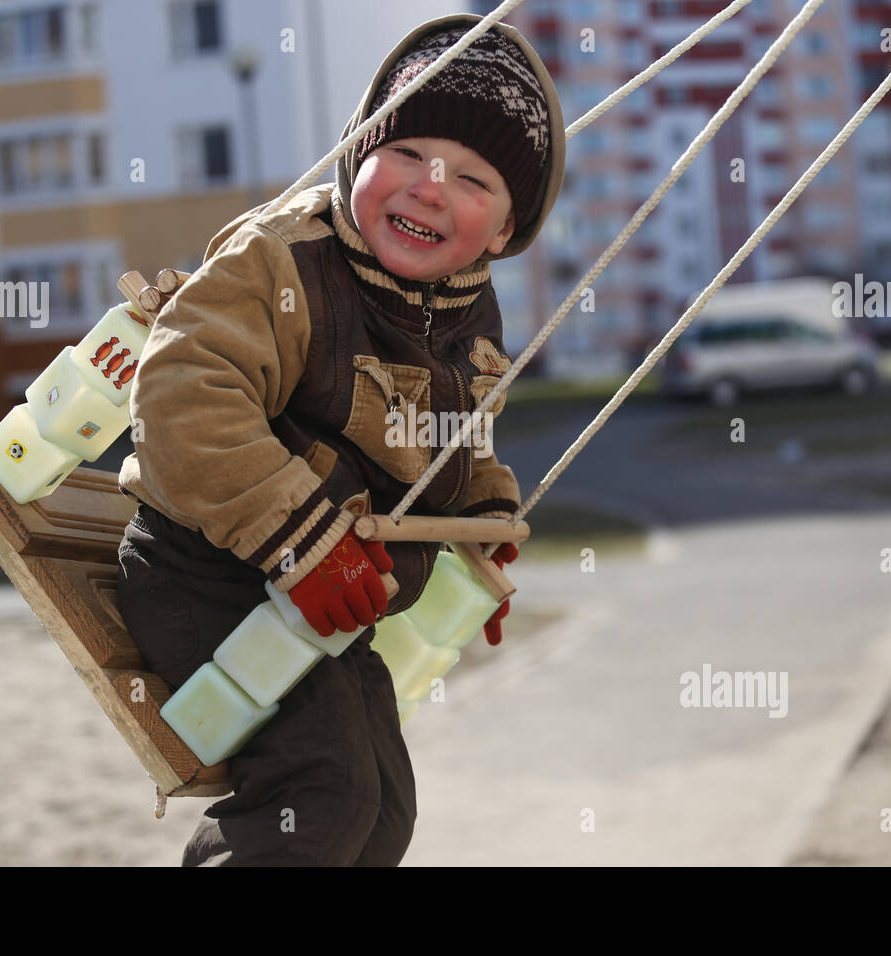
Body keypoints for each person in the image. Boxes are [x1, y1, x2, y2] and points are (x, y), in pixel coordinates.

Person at [114, 12, 565, 866]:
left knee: (384, 810)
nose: (429, 188)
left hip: (327, 608)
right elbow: (184, 394)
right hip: (207, 570)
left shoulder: (470, 317)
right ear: (358, 151)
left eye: (472, 179)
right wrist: (297, 538)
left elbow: (453, 445)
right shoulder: (282, 260)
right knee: (323, 793)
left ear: (506, 230)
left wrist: (484, 525)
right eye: (406, 154)